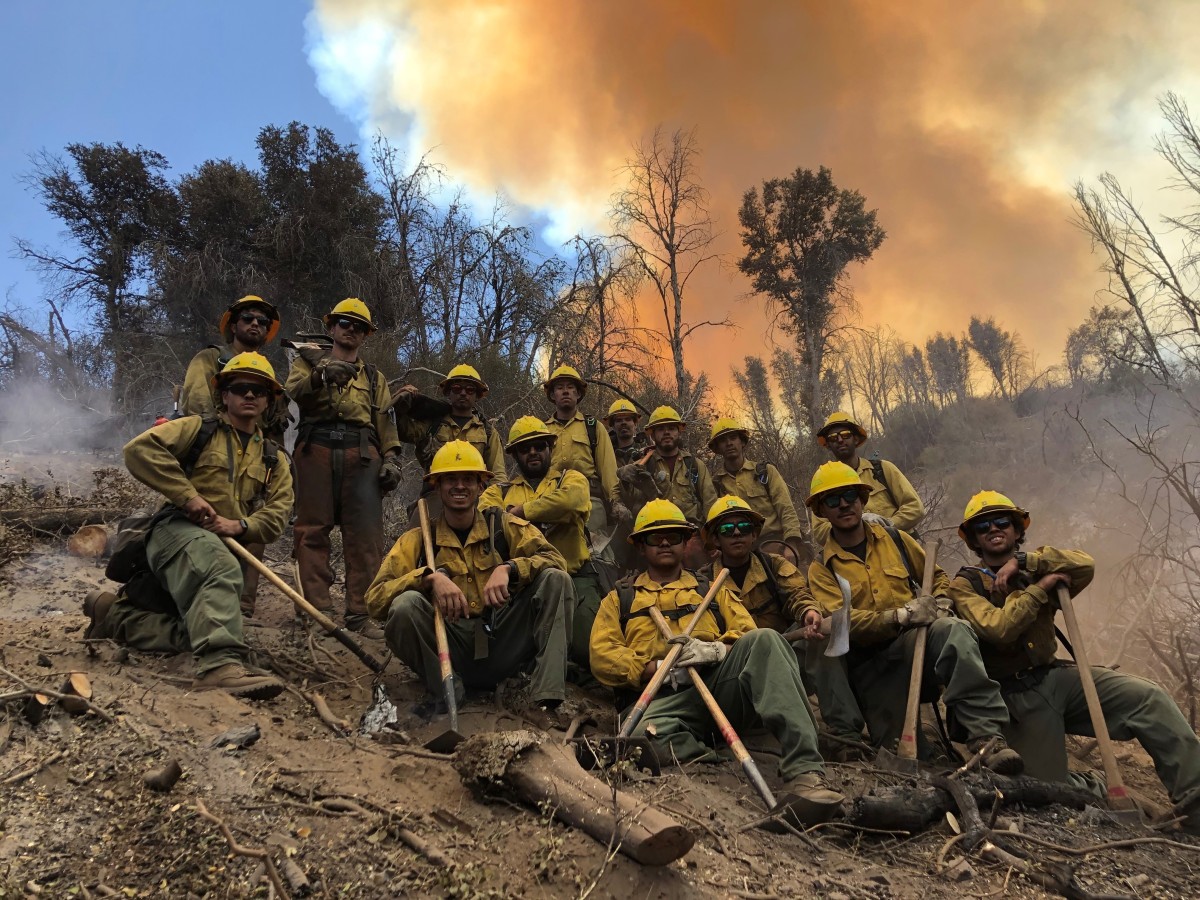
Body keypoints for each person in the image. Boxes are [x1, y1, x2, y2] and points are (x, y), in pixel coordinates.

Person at [952, 491, 1200, 832]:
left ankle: (1195, 798)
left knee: (1148, 698)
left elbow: (1086, 565)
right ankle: (1096, 784)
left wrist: (1026, 565)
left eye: (1002, 521)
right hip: (1012, 699)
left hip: (1056, 679)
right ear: (974, 539)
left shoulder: (1037, 564)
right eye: (982, 526)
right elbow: (1000, 629)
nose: (993, 529)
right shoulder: (964, 584)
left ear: (1016, 528)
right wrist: (1041, 589)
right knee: (1049, 790)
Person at [589, 499, 844, 818]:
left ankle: (806, 773)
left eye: (673, 536)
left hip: (717, 687)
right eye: (655, 538)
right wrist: (654, 669)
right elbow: (603, 654)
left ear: (685, 543)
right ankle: (714, 750)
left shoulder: (711, 588)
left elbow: (745, 630)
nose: (665, 542)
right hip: (660, 702)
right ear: (641, 546)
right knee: (637, 739)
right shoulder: (619, 599)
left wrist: (715, 651)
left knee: (767, 639)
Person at [83, 353, 292, 700]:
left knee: (205, 628)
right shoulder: (198, 428)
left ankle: (114, 616)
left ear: (269, 400)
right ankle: (219, 668)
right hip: (175, 533)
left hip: (223, 547)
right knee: (220, 571)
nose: (250, 395)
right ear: (224, 395)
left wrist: (239, 525)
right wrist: (188, 496)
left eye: (259, 390)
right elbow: (139, 450)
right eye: (240, 388)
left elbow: (279, 512)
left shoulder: (273, 458)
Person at [805, 462, 1023, 773]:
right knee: (907, 758)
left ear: (862, 499)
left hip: (915, 646)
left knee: (953, 630)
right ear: (820, 511)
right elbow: (842, 622)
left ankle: (986, 737)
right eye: (832, 500)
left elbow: (938, 578)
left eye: (850, 495)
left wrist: (943, 603)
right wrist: (900, 615)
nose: (843, 505)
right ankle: (860, 737)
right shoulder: (821, 568)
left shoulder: (897, 540)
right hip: (871, 668)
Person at [365, 441, 573, 722]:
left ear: (481, 486)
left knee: (555, 580)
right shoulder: (418, 540)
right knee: (405, 605)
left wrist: (510, 568)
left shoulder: (503, 526)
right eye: (450, 479)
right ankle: (447, 690)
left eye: (468, 479)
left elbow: (557, 560)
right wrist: (428, 579)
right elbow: (375, 600)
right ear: (437, 487)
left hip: (503, 641)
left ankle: (544, 700)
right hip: (448, 653)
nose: (459, 486)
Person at [285, 298, 402, 639]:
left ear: (366, 335)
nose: (351, 330)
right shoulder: (306, 362)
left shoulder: (373, 377)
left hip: (362, 455)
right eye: (344, 323)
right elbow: (294, 392)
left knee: (365, 538)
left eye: (359, 326)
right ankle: (316, 611)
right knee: (311, 531)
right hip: (315, 449)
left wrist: (392, 458)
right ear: (331, 328)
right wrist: (321, 376)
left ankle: (359, 615)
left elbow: (385, 419)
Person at [179, 294, 288, 616]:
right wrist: (218, 431)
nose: (255, 324)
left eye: (262, 322)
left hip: (256, 454)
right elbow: (197, 402)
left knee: (251, 523)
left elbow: (274, 424)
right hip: (214, 447)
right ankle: (192, 603)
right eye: (248, 318)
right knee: (203, 520)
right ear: (234, 325)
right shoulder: (210, 358)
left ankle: (242, 609)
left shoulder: (268, 374)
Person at [480, 417, 599, 671]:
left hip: (575, 575)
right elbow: (486, 516)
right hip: (521, 583)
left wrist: (521, 513)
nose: (532, 452)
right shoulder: (499, 492)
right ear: (514, 454)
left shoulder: (571, 479)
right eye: (524, 449)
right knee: (497, 649)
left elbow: (571, 501)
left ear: (550, 448)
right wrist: (551, 512)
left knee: (586, 650)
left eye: (539, 446)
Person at [699, 495, 818, 634]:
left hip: (783, 647)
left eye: (744, 527)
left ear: (754, 535)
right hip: (734, 653)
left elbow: (797, 594)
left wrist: (808, 611)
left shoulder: (775, 565)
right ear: (716, 539)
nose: (737, 533)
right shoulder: (704, 582)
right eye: (727, 529)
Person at [542, 365, 630, 553]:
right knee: (553, 556)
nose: (565, 391)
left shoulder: (593, 427)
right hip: (551, 503)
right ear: (552, 395)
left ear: (578, 393)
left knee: (593, 557)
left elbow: (608, 470)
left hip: (590, 503)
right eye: (559, 387)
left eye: (570, 387)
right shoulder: (542, 431)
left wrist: (616, 502)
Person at [811, 412, 924, 546]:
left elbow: (915, 507)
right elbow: (820, 531)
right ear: (828, 445)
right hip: (858, 558)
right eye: (833, 437)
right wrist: (856, 527)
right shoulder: (824, 481)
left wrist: (888, 525)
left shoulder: (883, 469)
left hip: (899, 548)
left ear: (856, 439)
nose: (840, 440)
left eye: (846, 435)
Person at [709, 417, 806, 563]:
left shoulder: (765, 472)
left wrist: (791, 544)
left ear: (742, 442)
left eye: (733, 438)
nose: (729, 443)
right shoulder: (716, 483)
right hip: (738, 547)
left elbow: (785, 508)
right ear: (717, 449)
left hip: (774, 540)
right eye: (723, 440)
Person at [397, 363, 504, 481]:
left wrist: (493, 498)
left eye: (470, 390)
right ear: (448, 392)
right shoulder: (432, 424)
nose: (463, 393)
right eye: (457, 388)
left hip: (475, 494)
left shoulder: (487, 431)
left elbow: (498, 474)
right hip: (436, 490)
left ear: (477, 395)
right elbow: (402, 431)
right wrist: (400, 405)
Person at [620, 406, 717, 527]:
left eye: (671, 428)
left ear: (679, 431)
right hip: (655, 530)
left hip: (691, 532)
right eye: (660, 429)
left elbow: (710, 504)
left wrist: (707, 536)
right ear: (653, 435)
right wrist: (624, 483)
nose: (666, 432)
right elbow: (631, 503)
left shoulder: (695, 465)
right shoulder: (642, 465)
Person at [606, 399, 649, 466]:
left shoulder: (646, 452)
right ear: (613, 426)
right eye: (619, 420)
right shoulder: (605, 453)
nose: (623, 423)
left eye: (628, 419)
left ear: (635, 424)